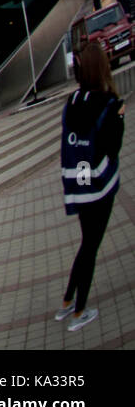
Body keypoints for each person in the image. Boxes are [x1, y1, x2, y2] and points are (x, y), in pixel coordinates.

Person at [54, 43, 124, 332]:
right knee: (90, 248)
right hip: (99, 186)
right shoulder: (108, 102)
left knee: (86, 244)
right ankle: (79, 311)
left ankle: (66, 302)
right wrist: (119, 118)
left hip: (77, 182)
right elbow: (113, 147)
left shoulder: (72, 101)